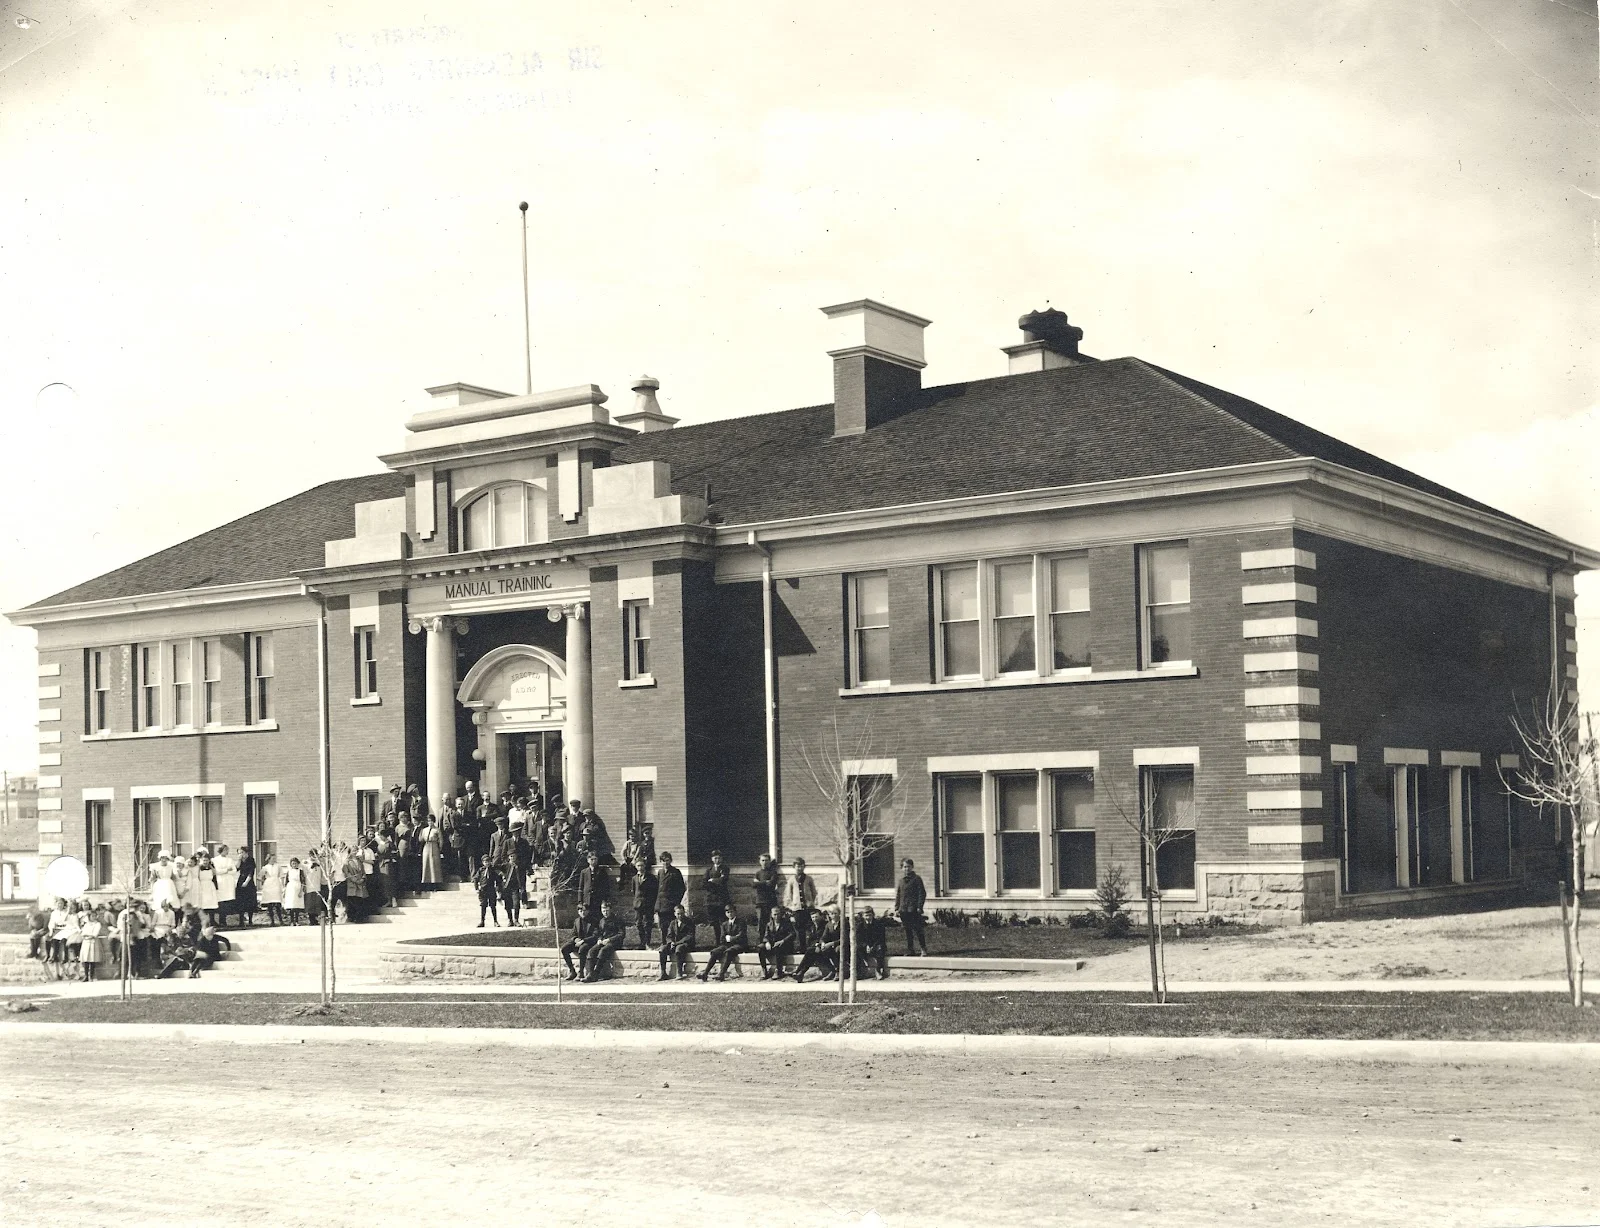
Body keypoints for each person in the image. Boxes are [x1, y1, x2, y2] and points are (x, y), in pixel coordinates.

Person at [698, 904, 748, 983]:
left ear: (735, 912)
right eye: (728, 912)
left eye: (731, 912)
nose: (730, 914)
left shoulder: (741, 922)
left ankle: (721, 974)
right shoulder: (724, 924)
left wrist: (731, 938)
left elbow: (741, 936)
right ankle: (705, 973)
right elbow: (722, 938)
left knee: (729, 952)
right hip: (727, 945)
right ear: (725, 914)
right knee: (714, 952)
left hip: (739, 945)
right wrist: (727, 939)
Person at [583, 900, 628, 982]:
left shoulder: (617, 920)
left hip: (615, 943)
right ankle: (590, 974)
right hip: (603, 941)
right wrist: (599, 939)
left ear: (611, 910)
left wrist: (609, 939)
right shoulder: (601, 921)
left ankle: (596, 974)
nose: (605, 912)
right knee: (592, 951)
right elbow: (599, 933)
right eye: (603, 911)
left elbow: (621, 934)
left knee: (603, 951)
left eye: (607, 910)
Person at [794, 907, 841, 983]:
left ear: (821, 916)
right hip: (822, 946)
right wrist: (819, 944)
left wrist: (819, 945)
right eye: (813, 917)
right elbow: (813, 939)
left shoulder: (825, 924)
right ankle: (800, 973)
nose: (815, 919)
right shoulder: (812, 927)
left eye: (816, 917)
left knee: (811, 952)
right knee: (812, 953)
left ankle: (799, 972)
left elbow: (827, 938)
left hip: (831, 946)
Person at [894, 858, 928, 956]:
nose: (906, 869)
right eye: (904, 867)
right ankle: (910, 950)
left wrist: (919, 907)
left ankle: (923, 948)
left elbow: (922, 893)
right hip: (904, 910)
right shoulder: (901, 881)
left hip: (914, 909)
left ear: (912, 867)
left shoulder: (917, 879)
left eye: (908, 866)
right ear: (901, 868)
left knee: (918, 929)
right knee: (908, 931)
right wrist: (896, 908)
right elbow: (898, 895)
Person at [757, 904, 798, 980]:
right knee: (760, 948)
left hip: (785, 946)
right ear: (772, 915)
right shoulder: (769, 924)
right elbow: (766, 936)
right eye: (774, 914)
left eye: (778, 914)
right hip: (773, 945)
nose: (776, 916)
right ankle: (764, 970)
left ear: (781, 914)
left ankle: (778, 970)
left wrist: (782, 941)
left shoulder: (786, 923)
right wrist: (767, 942)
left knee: (779, 947)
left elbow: (793, 934)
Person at [655, 850, 686, 945]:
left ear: (671, 861)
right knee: (663, 926)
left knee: (671, 925)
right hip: (661, 905)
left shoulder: (675, 872)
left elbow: (681, 888)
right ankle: (664, 943)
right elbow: (658, 889)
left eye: (667, 860)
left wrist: (675, 902)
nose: (665, 863)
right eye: (663, 861)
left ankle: (672, 943)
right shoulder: (660, 872)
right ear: (660, 862)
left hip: (670, 904)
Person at [658, 903, 695, 980]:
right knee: (662, 949)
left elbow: (689, 936)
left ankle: (679, 972)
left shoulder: (689, 922)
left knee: (679, 949)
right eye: (678, 914)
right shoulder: (672, 923)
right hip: (674, 944)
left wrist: (677, 943)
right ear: (675, 914)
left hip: (685, 944)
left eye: (682, 913)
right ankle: (663, 973)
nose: (680, 916)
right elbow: (669, 935)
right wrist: (671, 942)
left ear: (684, 913)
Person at [701, 850, 731, 945]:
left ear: (721, 859)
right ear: (712, 859)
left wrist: (712, 880)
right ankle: (717, 940)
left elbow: (723, 880)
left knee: (723, 920)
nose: (717, 860)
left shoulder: (725, 869)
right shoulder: (709, 870)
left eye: (719, 858)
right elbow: (704, 884)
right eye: (715, 858)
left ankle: (725, 940)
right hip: (711, 900)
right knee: (714, 922)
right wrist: (715, 881)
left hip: (722, 899)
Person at [852, 906, 890, 981]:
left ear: (873, 915)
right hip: (864, 946)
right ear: (863, 916)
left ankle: (878, 970)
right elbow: (858, 939)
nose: (868, 917)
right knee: (856, 949)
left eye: (870, 915)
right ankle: (859, 972)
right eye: (866, 915)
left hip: (876, 945)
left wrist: (873, 946)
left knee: (881, 948)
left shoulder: (878, 924)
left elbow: (881, 938)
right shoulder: (860, 925)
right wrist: (865, 946)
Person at [560, 909, 598, 981]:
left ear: (588, 911)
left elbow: (595, 935)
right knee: (564, 949)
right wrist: (575, 939)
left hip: (588, 942)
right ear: (578, 912)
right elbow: (573, 933)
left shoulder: (593, 921)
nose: (583, 912)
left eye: (584, 910)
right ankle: (572, 971)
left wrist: (583, 941)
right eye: (580, 911)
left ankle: (581, 973)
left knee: (582, 948)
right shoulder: (577, 921)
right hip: (578, 942)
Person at [632, 855, 659, 949]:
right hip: (638, 905)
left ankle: (647, 942)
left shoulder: (651, 878)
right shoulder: (634, 878)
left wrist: (652, 904)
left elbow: (655, 891)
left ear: (645, 866)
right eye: (638, 865)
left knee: (648, 923)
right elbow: (634, 891)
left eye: (642, 865)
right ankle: (642, 942)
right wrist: (636, 902)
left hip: (648, 904)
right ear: (636, 866)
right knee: (638, 924)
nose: (640, 868)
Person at [577, 850, 612, 920]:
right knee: (587, 917)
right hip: (587, 899)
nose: (594, 861)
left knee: (598, 917)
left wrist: (605, 899)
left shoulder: (601, 872)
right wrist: (580, 901)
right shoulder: (584, 872)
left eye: (595, 859)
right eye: (591, 859)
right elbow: (581, 887)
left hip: (598, 898)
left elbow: (606, 886)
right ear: (588, 860)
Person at [752, 853, 781, 934]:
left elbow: (771, 884)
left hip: (770, 901)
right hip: (760, 901)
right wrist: (765, 882)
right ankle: (761, 942)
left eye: (766, 860)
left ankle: (770, 941)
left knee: (771, 922)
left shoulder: (773, 873)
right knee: (761, 922)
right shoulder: (758, 873)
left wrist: (759, 883)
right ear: (760, 861)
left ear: (769, 861)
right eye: (763, 860)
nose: (764, 862)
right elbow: (753, 885)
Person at [77, 907, 106, 981]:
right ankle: (86, 976)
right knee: (86, 959)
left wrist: (89, 935)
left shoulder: (97, 924)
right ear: (89, 917)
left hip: (93, 943)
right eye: (92, 916)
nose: (94, 917)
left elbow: (95, 934)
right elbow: (83, 933)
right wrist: (87, 935)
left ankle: (91, 976)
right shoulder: (86, 924)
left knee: (92, 959)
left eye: (95, 916)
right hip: (86, 943)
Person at [213, 845, 238, 927]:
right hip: (221, 882)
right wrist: (227, 870)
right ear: (221, 850)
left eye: (228, 850)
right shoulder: (215, 860)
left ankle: (224, 920)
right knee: (221, 901)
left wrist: (225, 871)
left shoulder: (230, 859)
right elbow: (217, 871)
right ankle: (221, 920)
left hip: (228, 882)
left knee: (227, 901)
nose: (227, 851)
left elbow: (234, 870)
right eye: (225, 850)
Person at [234, 845, 258, 927]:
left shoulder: (251, 860)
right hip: (241, 879)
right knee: (241, 901)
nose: (241, 854)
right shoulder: (240, 861)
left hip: (248, 881)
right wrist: (239, 860)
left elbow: (251, 872)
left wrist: (246, 882)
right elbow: (236, 868)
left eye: (242, 852)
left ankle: (250, 920)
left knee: (249, 901)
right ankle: (241, 921)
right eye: (239, 853)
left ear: (246, 852)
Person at [474, 858, 502, 927]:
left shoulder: (493, 870)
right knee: (483, 905)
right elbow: (475, 879)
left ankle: (495, 921)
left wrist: (498, 889)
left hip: (491, 889)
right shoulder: (481, 870)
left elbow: (498, 880)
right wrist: (476, 888)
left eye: (488, 862)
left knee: (493, 906)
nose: (487, 863)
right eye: (485, 862)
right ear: (483, 862)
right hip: (483, 890)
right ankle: (482, 921)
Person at [257, 853, 284, 925]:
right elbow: (259, 877)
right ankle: (272, 921)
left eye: (275, 859)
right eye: (272, 859)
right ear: (269, 859)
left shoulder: (278, 866)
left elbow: (282, 875)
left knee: (277, 903)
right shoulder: (265, 867)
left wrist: (283, 885)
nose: (274, 860)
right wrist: (264, 880)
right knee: (270, 904)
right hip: (268, 885)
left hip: (276, 884)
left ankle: (281, 920)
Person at [282, 856, 307, 924]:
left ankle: (296, 921)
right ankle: (292, 921)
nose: (294, 865)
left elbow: (303, 882)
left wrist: (301, 891)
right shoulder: (288, 872)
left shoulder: (300, 871)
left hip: (298, 888)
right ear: (291, 864)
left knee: (297, 906)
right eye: (293, 863)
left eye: (295, 863)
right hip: (290, 889)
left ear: (298, 864)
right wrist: (284, 891)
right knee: (291, 905)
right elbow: (286, 882)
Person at [420, 818, 444, 889]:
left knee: (434, 865)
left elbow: (441, 840)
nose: (430, 822)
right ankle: (426, 883)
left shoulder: (437, 830)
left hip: (434, 846)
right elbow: (421, 839)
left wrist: (439, 849)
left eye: (431, 821)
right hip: (426, 847)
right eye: (428, 821)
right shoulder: (424, 830)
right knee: (426, 864)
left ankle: (435, 884)